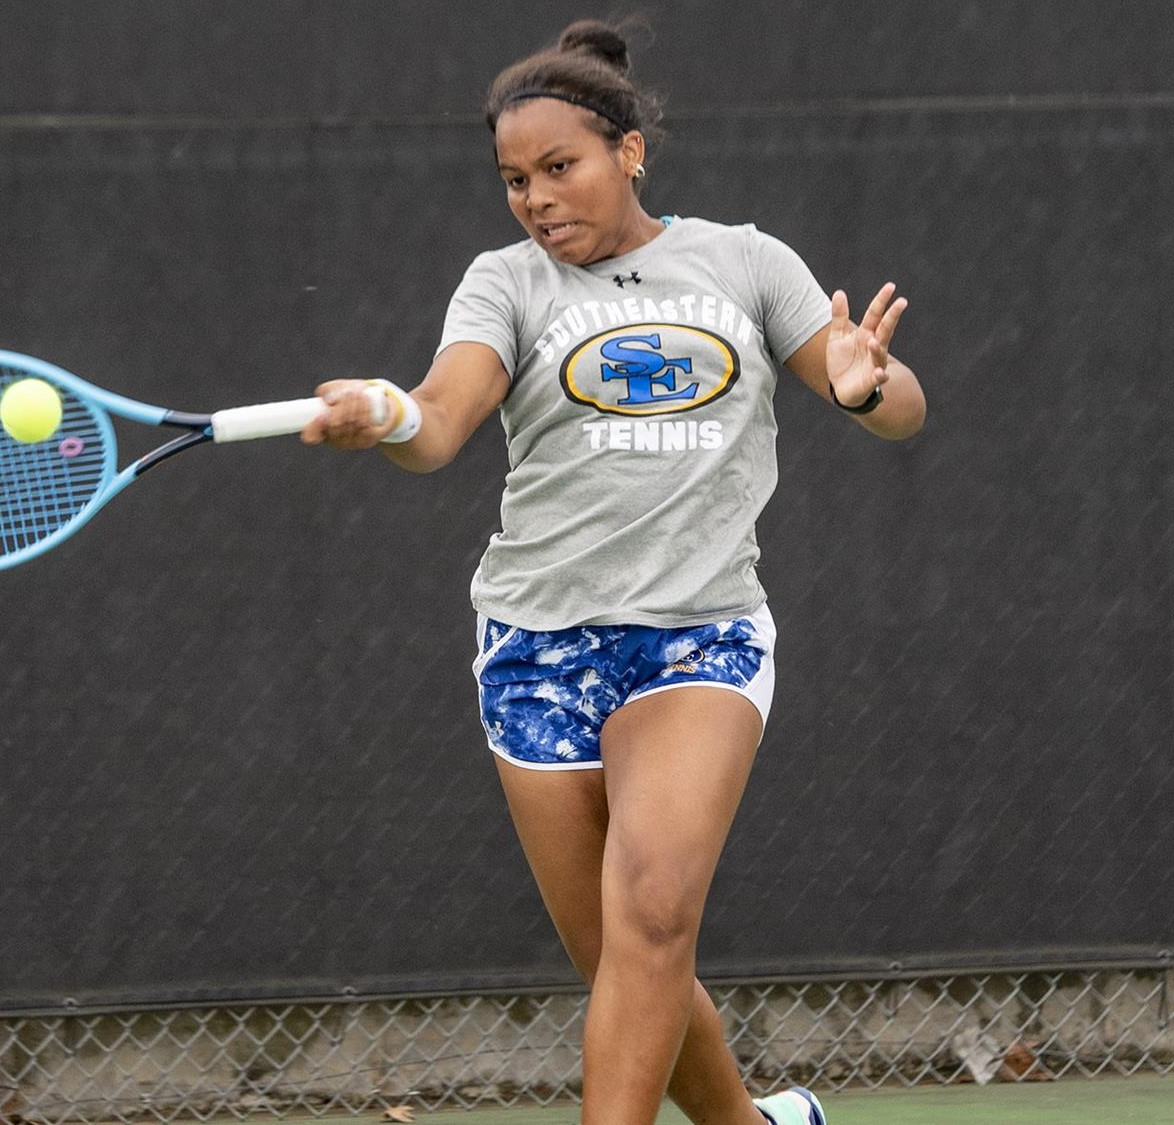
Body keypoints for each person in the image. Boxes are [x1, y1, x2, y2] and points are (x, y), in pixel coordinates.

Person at [301, 18, 924, 1125]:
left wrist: (868, 385)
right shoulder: (505, 284)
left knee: (649, 916)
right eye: (512, 180)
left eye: (558, 168)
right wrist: (385, 413)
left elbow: (894, 412)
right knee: (630, 967)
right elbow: (439, 421)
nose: (536, 198)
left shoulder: (743, 261)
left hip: (699, 635)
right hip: (534, 649)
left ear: (627, 152)